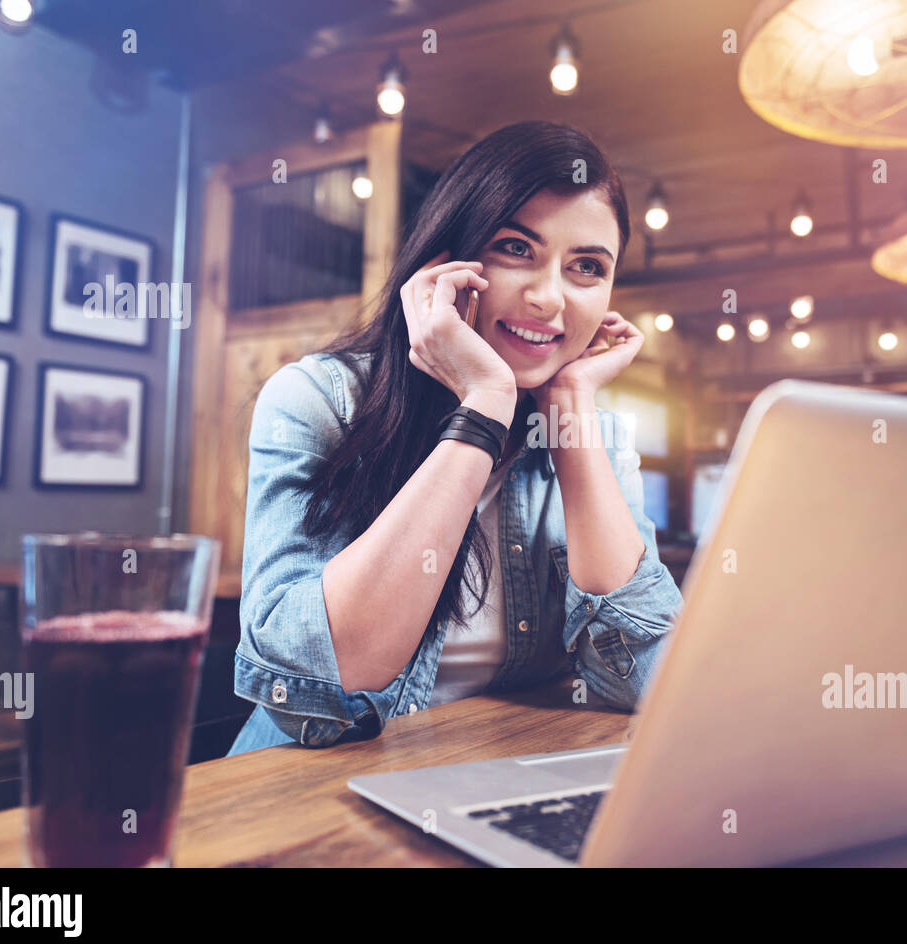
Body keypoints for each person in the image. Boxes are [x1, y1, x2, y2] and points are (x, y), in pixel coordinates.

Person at [227, 120, 684, 754]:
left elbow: (649, 682)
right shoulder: (316, 399)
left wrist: (572, 408)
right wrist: (484, 406)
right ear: (446, 263)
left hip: (494, 786)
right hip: (302, 797)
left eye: (586, 267)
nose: (549, 298)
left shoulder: (596, 436)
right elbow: (313, 689)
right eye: (516, 248)